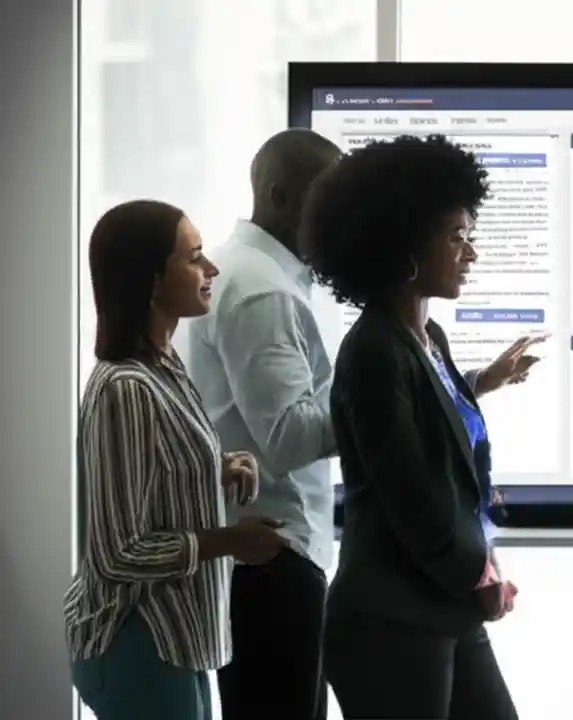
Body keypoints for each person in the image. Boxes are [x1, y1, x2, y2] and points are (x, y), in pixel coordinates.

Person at [302, 134, 540, 720]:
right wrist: (478, 571)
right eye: (457, 237)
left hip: (443, 605)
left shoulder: (427, 339)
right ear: (405, 245)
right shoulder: (374, 351)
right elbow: (412, 497)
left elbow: (447, 454)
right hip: (390, 622)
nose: (471, 253)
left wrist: (480, 561)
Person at [65, 200, 290, 720]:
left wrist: (216, 467)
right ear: (150, 281)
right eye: (194, 258)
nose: (211, 269)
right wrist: (231, 541)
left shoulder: (164, 363)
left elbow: (152, 472)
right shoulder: (126, 387)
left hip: (173, 640)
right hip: (138, 642)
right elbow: (119, 552)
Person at [185, 128, 342, 720]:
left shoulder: (248, 273)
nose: (340, 216)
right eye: (327, 198)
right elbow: (288, 439)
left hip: (260, 560)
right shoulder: (260, 290)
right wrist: (375, 399)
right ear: (280, 197)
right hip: (273, 561)